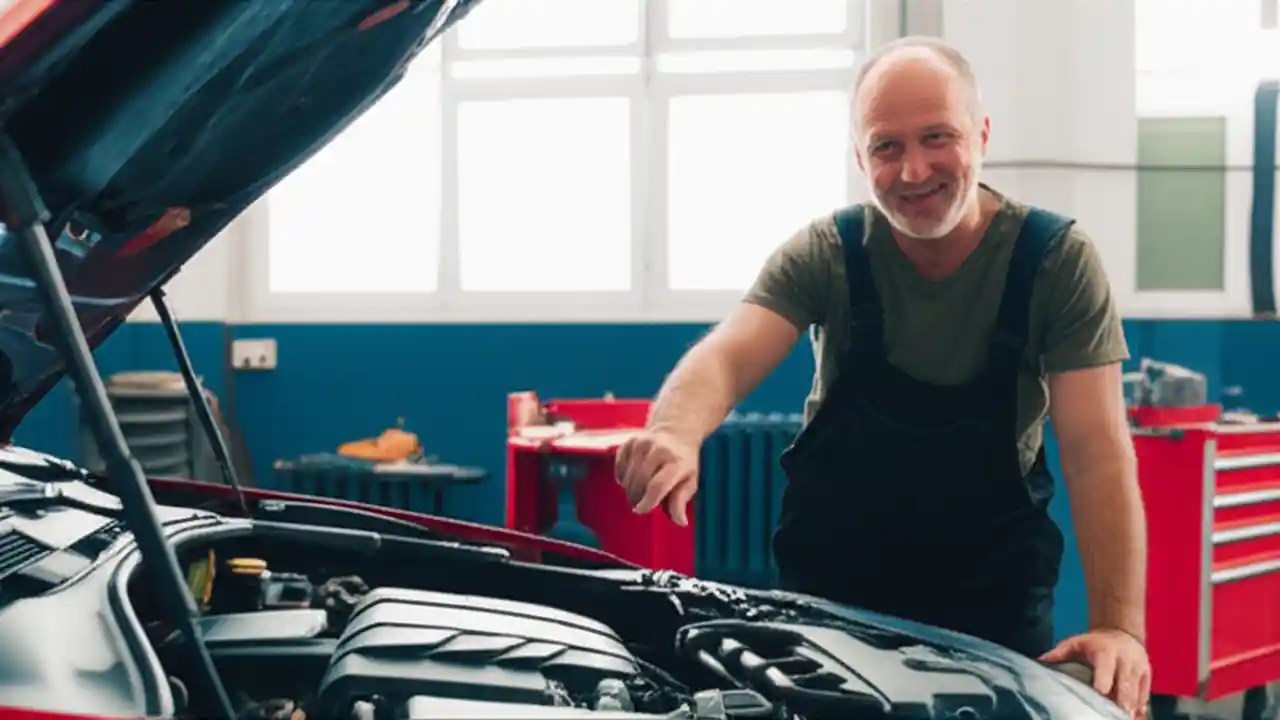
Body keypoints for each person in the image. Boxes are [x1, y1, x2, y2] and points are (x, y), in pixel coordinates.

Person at [614, 35, 1151, 717]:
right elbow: (727, 354)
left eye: (937, 137)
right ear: (859, 158)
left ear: (982, 135)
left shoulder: (1055, 261)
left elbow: (1097, 452)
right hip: (831, 603)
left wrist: (1118, 627)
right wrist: (674, 431)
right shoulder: (829, 252)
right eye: (886, 147)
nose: (913, 169)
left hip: (991, 603)